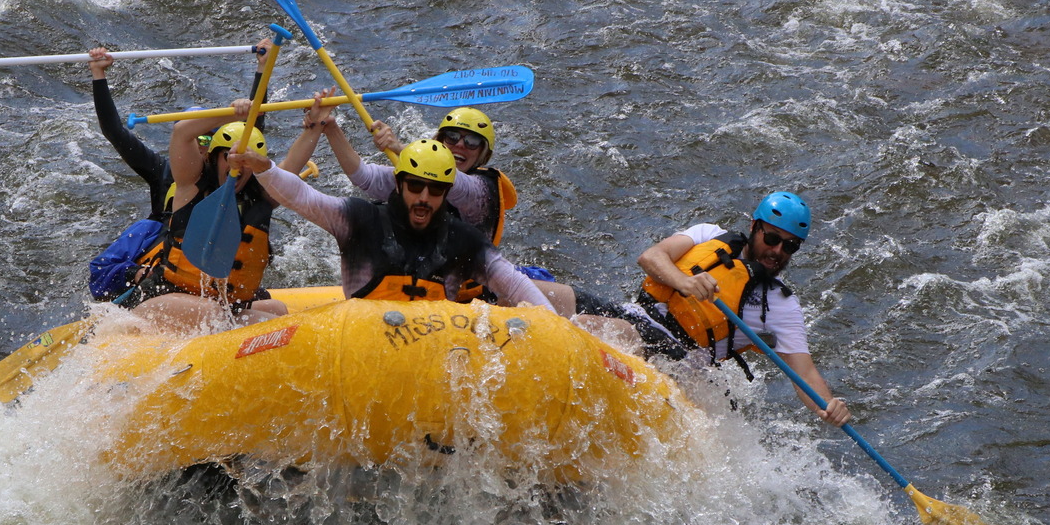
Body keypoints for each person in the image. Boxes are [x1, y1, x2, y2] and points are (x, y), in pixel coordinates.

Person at [228, 136, 552, 308]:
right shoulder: (360, 219)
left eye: (437, 190)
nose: (424, 197)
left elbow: (514, 283)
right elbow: (304, 197)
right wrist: (265, 168)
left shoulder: (463, 239)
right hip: (362, 348)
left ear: (447, 193)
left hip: (434, 349)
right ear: (398, 184)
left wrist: (551, 327)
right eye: (415, 186)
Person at [619, 191, 851, 426]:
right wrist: (684, 282)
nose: (777, 251)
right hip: (637, 318)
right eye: (771, 238)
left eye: (790, 246)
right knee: (579, 299)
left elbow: (805, 374)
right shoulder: (708, 235)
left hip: (681, 361)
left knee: (610, 330)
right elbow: (651, 257)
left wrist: (829, 405)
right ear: (754, 226)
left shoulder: (780, 304)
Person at [119, 105, 317, 332]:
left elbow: (290, 167)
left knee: (276, 310)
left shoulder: (261, 197)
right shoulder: (191, 185)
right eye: (229, 157)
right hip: (161, 298)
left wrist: (316, 126)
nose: (238, 165)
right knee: (210, 312)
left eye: (247, 161)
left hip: (220, 306)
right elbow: (182, 132)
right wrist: (234, 113)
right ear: (214, 158)